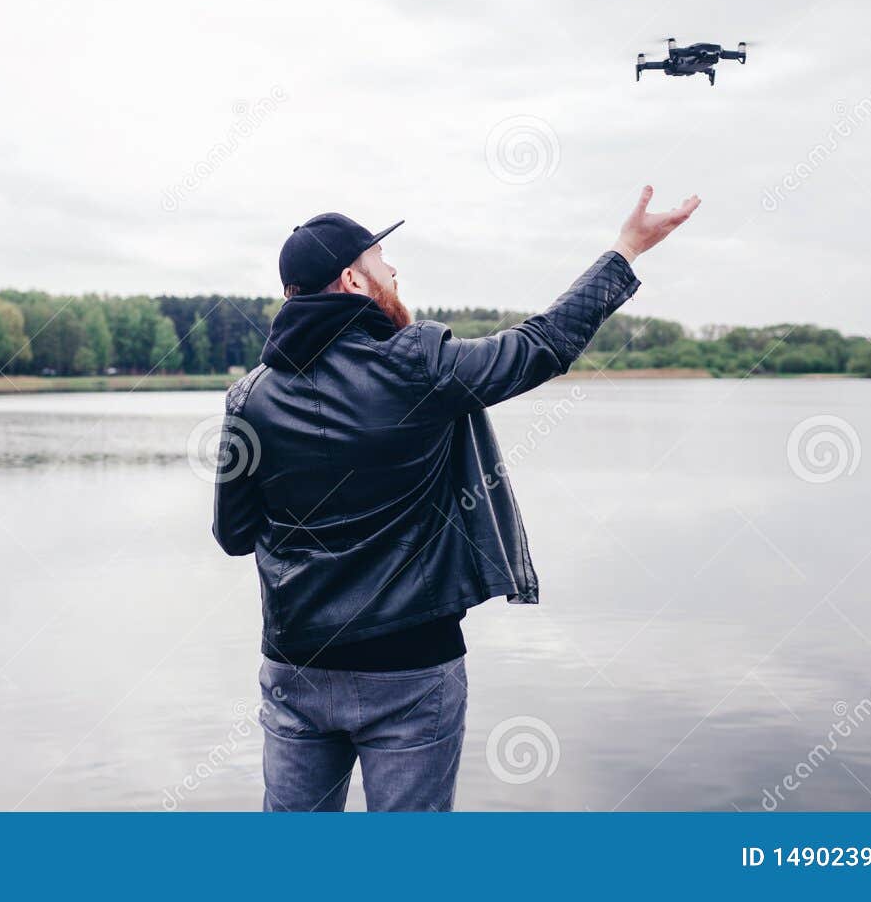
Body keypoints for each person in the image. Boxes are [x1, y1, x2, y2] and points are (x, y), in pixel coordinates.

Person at [212, 185, 700, 810]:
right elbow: (540, 345)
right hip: (410, 666)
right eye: (381, 260)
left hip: (295, 661)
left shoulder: (248, 398)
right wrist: (626, 249)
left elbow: (232, 535)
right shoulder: (418, 365)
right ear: (353, 282)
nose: (392, 269)